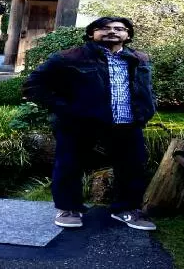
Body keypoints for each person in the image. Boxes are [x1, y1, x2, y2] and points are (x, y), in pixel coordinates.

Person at [23, 16, 157, 231]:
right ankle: (68, 208)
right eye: (104, 28)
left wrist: (148, 108)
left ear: (127, 35)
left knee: (132, 167)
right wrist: (66, 109)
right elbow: (34, 85)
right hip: (80, 122)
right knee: (70, 164)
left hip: (127, 122)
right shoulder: (69, 57)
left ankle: (126, 209)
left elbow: (145, 87)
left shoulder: (139, 59)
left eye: (119, 29)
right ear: (91, 33)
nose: (112, 32)